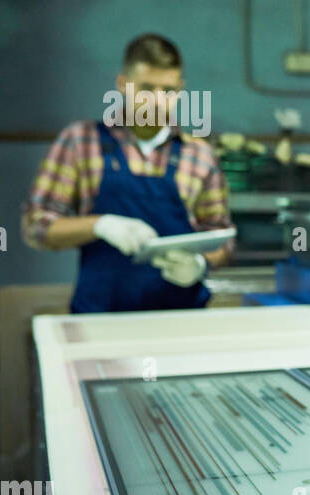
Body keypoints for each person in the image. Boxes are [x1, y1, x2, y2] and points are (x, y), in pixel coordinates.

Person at [22, 33, 233, 313]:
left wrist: (199, 264)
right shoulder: (81, 141)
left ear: (180, 90)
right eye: (146, 88)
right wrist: (100, 225)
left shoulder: (200, 156)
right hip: (100, 319)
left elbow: (222, 239)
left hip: (180, 323)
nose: (157, 101)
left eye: (168, 91)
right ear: (123, 85)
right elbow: (36, 227)